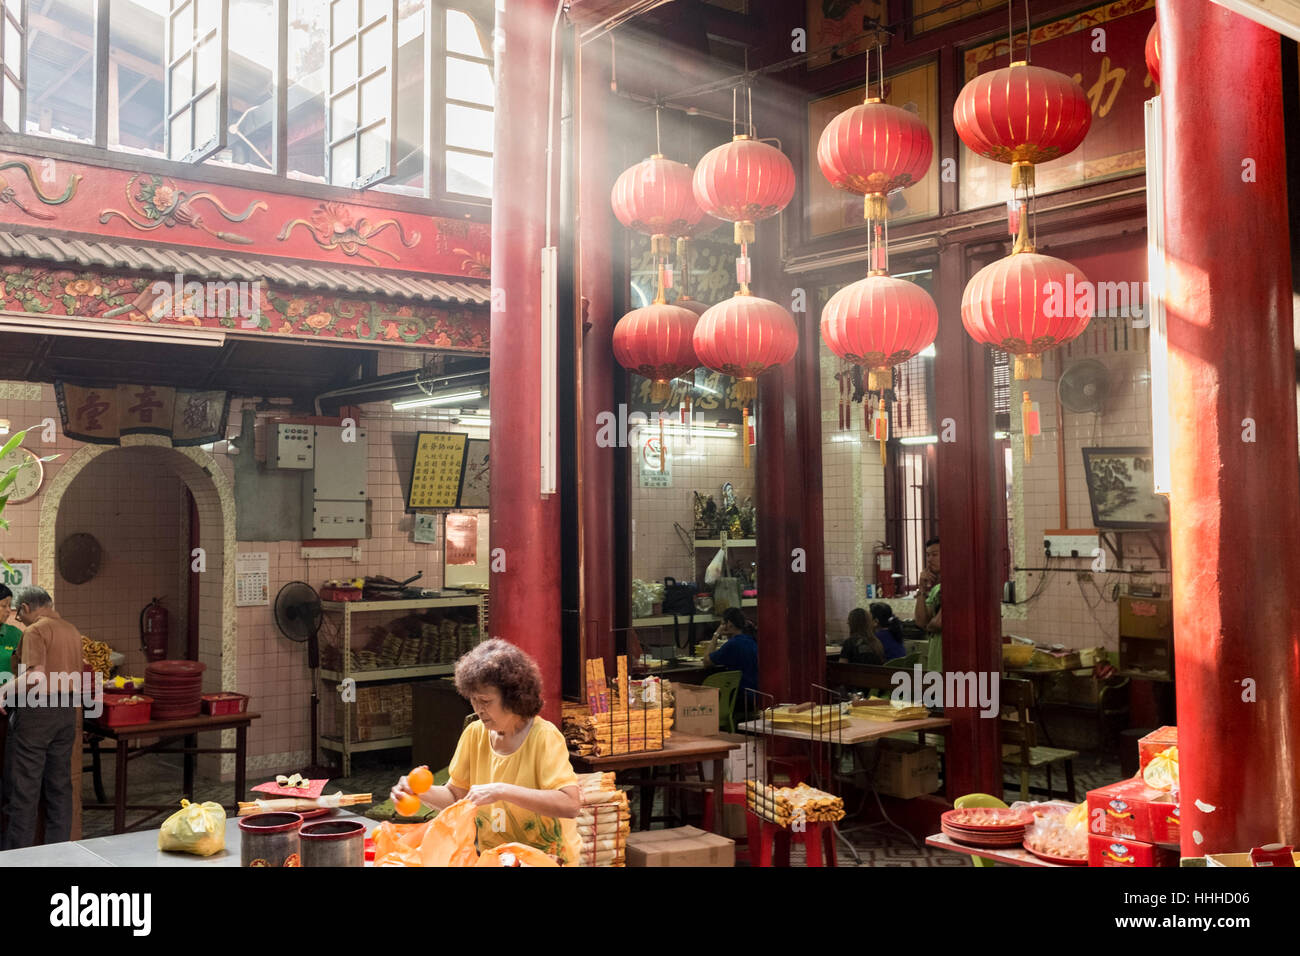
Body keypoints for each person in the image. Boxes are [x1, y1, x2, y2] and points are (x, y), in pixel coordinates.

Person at [389, 639, 582, 864]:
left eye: (486, 701)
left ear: (513, 699)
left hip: (547, 859)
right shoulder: (474, 734)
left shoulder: (544, 737)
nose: (479, 709)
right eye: (473, 700)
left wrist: (501, 790)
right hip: (495, 859)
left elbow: (570, 804)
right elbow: (456, 796)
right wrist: (418, 791)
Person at [0, 586, 83, 849]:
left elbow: (35, 677)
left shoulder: (35, 630)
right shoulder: (71, 630)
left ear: (26, 608)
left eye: (17, 613)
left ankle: (18, 858)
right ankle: (59, 852)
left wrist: (2, 692)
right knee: (59, 785)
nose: (16, 618)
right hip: (67, 711)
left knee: (24, 788)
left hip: (38, 713)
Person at [702, 606, 759, 710]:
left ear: (729, 624)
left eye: (722, 623)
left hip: (741, 697)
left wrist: (716, 634)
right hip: (756, 695)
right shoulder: (751, 640)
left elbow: (706, 661)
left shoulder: (733, 644)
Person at [914, 536, 942, 672]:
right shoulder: (936, 590)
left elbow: (936, 624)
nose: (930, 559)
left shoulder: (956, 585)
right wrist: (922, 588)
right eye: (928, 555)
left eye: (935, 555)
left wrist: (929, 626)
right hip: (936, 661)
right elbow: (920, 622)